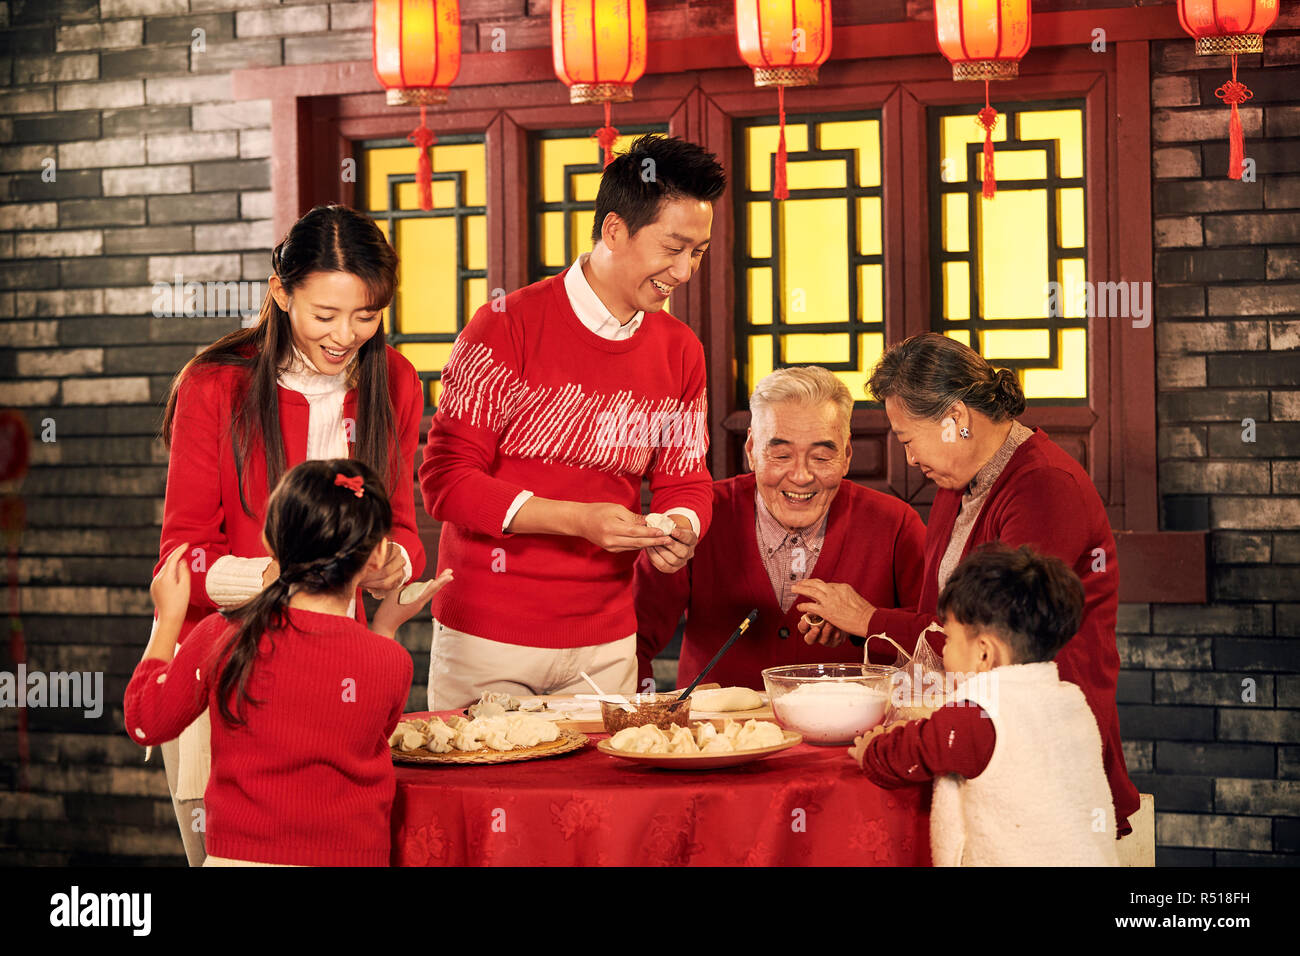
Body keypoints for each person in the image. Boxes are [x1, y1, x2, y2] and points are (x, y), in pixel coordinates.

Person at [154, 203, 427, 865]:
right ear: (280, 292)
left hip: (332, 669)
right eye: (324, 316)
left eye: (366, 316)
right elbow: (182, 553)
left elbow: (406, 532)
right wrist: (283, 576)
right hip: (229, 664)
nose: (345, 336)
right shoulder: (216, 383)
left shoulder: (393, 380)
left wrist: (391, 562)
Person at [419, 134, 725, 709]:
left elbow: (685, 479)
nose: (684, 271)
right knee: (486, 796)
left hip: (608, 640)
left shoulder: (681, 350)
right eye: (673, 248)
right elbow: (445, 480)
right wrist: (577, 521)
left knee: (595, 802)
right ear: (614, 230)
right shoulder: (504, 327)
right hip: (489, 635)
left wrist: (682, 528)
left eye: (699, 252)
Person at [798, 332, 1138, 836]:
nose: (909, 458)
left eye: (908, 439)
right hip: (979, 731)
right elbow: (943, 628)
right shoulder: (959, 480)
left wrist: (869, 619)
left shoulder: (1044, 486)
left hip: (1033, 743)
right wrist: (858, 630)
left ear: (955, 419)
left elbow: (993, 638)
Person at [126, 460, 451, 866]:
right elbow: (367, 731)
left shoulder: (221, 636)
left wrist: (169, 619)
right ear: (378, 555)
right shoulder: (392, 662)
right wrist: (384, 628)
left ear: (270, 543)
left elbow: (146, 721)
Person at [635, 366, 925, 689]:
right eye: (781, 454)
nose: (801, 476)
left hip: (855, 737)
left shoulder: (896, 525)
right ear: (751, 451)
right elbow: (632, 639)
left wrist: (866, 624)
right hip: (716, 737)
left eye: (820, 457)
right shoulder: (701, 518)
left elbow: (941, 647)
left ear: (846, 455)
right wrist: (647, 723)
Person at [852, 544, 1119, 867]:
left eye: (948, 638)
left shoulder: (982, 712)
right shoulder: (1070, 699)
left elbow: (916, 751)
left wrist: (873, 750)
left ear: (983, 653)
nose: (945, 651)